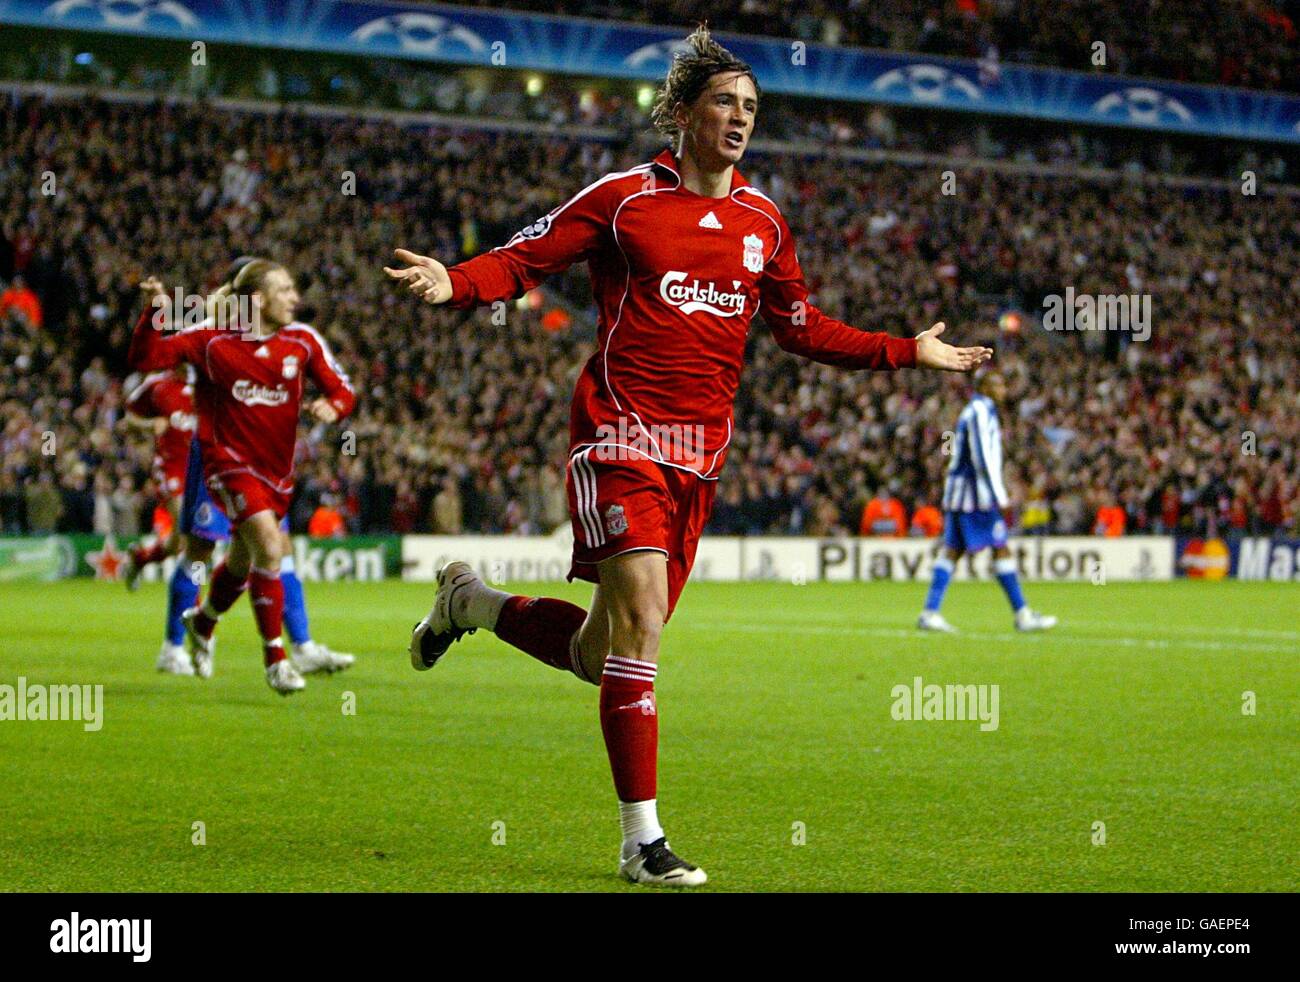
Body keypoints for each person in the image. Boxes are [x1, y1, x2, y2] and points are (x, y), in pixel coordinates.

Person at [385, 26, 990, 886]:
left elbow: (800, 328)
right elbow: (528, 256)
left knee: (605, 653)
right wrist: (458, 280)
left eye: (750, 107)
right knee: (642, 626)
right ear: (681, 112)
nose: (740, 119)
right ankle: (642, 842)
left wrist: (905, 350)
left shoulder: (764, 223)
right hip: (619, 435)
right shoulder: (626, 198)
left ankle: (470, 604)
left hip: (697, 461)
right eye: (724, 103)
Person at [127, 260, 356, 694]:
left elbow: (343, 390)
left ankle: (205, 619)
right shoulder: (212, 342)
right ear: (257, 299)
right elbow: (146, 359)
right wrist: (153, 314)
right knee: (231, 548)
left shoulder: (303, 342)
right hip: (221, 466)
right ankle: (273, 659)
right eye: (285, 289)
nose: (295, 298)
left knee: (247, 557)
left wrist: (334, 408)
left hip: (275, 474)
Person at [918, 370, 1056, 633]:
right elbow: (983, 458)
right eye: (998, 384)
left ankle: (930, 612)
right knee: (1000, 546)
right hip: (975, 496)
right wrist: (1000, 495)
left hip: (962, 494)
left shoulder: (977, 410)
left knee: (953, 550)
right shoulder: (980, 411)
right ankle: (1023, 615)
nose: (1003, 389)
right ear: (984, 386)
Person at [120, 367, 197, 593]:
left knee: (179, 542)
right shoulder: (158, 384)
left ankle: (141, 559)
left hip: (200, 468)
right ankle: (196, 614)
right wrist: (149, 425)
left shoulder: (210, 382)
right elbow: (129, 418)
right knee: (191, 532)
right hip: (170, 466)